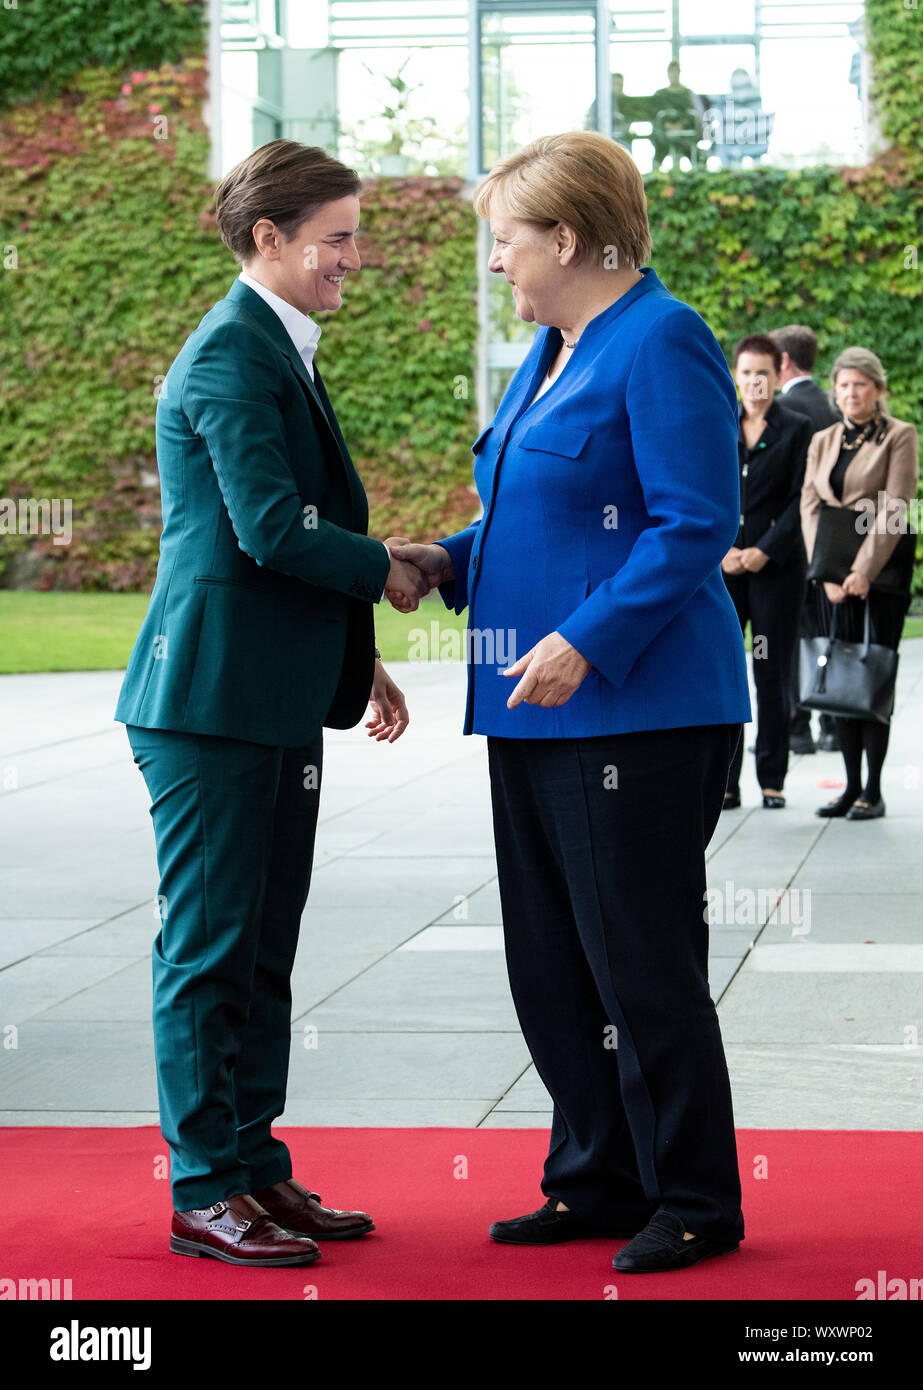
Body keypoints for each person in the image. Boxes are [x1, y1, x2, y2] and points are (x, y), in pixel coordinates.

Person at [390, 131, 751, 1273]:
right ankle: (594, 1174)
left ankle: (692, 1197)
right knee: (552, 962)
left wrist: (586, 639)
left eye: (504, 240)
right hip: (528, 702)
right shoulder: (550, 348)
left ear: (565, 236)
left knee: (639, 959)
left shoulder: (661, 337)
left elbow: (693, 521)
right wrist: (443, 559)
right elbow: (527, 513)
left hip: (634, 708)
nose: (495, 262)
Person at [114, 139, 427, 1267]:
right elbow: (270, 529)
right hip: (206, 705)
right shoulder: (229, 356)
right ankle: (202, 1186)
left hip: (266, 694)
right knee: (210, 949)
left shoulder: (275, 347)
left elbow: (276, 542)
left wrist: (361, 657)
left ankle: (250, 1167)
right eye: (336, 236)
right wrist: (388, 563)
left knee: (262, 945)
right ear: (269, 240)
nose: (355, 255)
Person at [801, 347, 919, 820]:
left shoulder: (899, 435)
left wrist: (863, 573)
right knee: (839, 675)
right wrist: (827, 574)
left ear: (878, 390)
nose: (851, 393)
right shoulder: (823, 439)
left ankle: (874, 788)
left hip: (881, 572)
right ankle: (849, 786)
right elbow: (810, 504)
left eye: (861, 385)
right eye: (844, 385)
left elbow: (895, 506)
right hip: (831, 572)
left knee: (873, 671)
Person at [722, 335, 814, 810]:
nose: (755, 383)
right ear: (736, 378)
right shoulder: (720, 425)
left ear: (779, 376)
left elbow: (804, 499)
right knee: (726, 674)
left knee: (770, 672)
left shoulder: (798, 428)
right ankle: (727, 781)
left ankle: (773, 778)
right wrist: (723, 551)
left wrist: (762, 551)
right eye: (747, 374)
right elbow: (703, 492)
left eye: (764, 373)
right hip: (724, 568)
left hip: (776, 570)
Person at [769, 324, 841, 756]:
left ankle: (798, 727)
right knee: (830, 632)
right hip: (836, 542)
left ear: (784, 362)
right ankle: (834, 719)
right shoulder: (836, 407)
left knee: (794, 637)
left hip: (792, 543)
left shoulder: (780, 412)